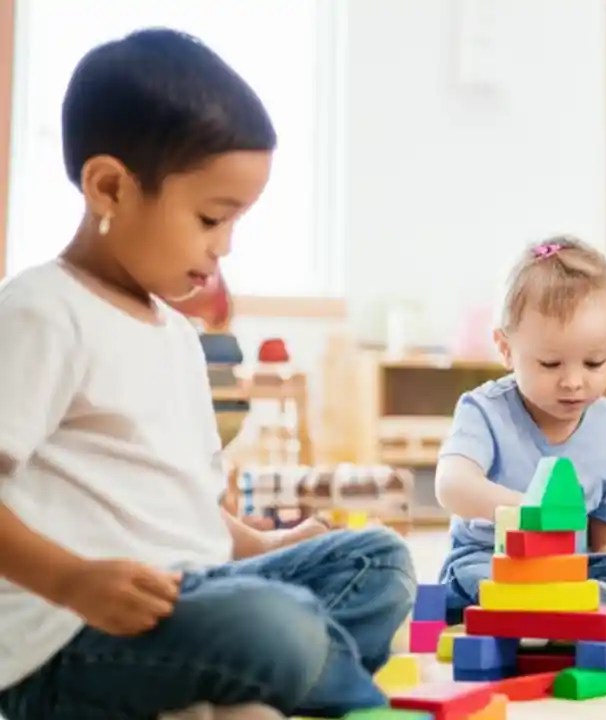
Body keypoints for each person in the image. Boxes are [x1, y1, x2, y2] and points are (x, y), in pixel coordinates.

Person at [0, 30, 415, 720]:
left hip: (199, 596)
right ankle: (300, 689)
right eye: (210, 218)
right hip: (71, 638)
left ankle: (232, 692)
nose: (224, 247)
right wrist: (72, 581)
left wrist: (270, 545)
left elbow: (184, 505)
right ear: (110, 187)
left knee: (378, 562)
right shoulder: (42, 312)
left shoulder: (176, 336)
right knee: (276, 624)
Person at [435, 237, 606, 625]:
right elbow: (451, 486)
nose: (573, 382)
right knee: (473, 577)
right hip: (488, 559)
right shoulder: (486, 411)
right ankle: (573, 610)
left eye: (593, 363)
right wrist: (529, 513)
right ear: (505, 349)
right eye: (551, 363)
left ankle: (588, 605)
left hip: (568, 569)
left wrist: (599, 549)